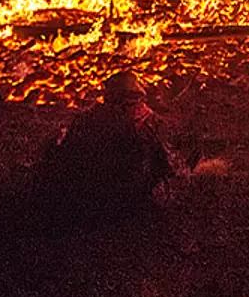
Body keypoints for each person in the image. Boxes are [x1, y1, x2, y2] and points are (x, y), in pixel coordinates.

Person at [38, 71, 174, 207]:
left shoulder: (90, 117)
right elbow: (162, 162)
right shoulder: (147, 120)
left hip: (89, 191)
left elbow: (70, 150)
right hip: (126, 192)